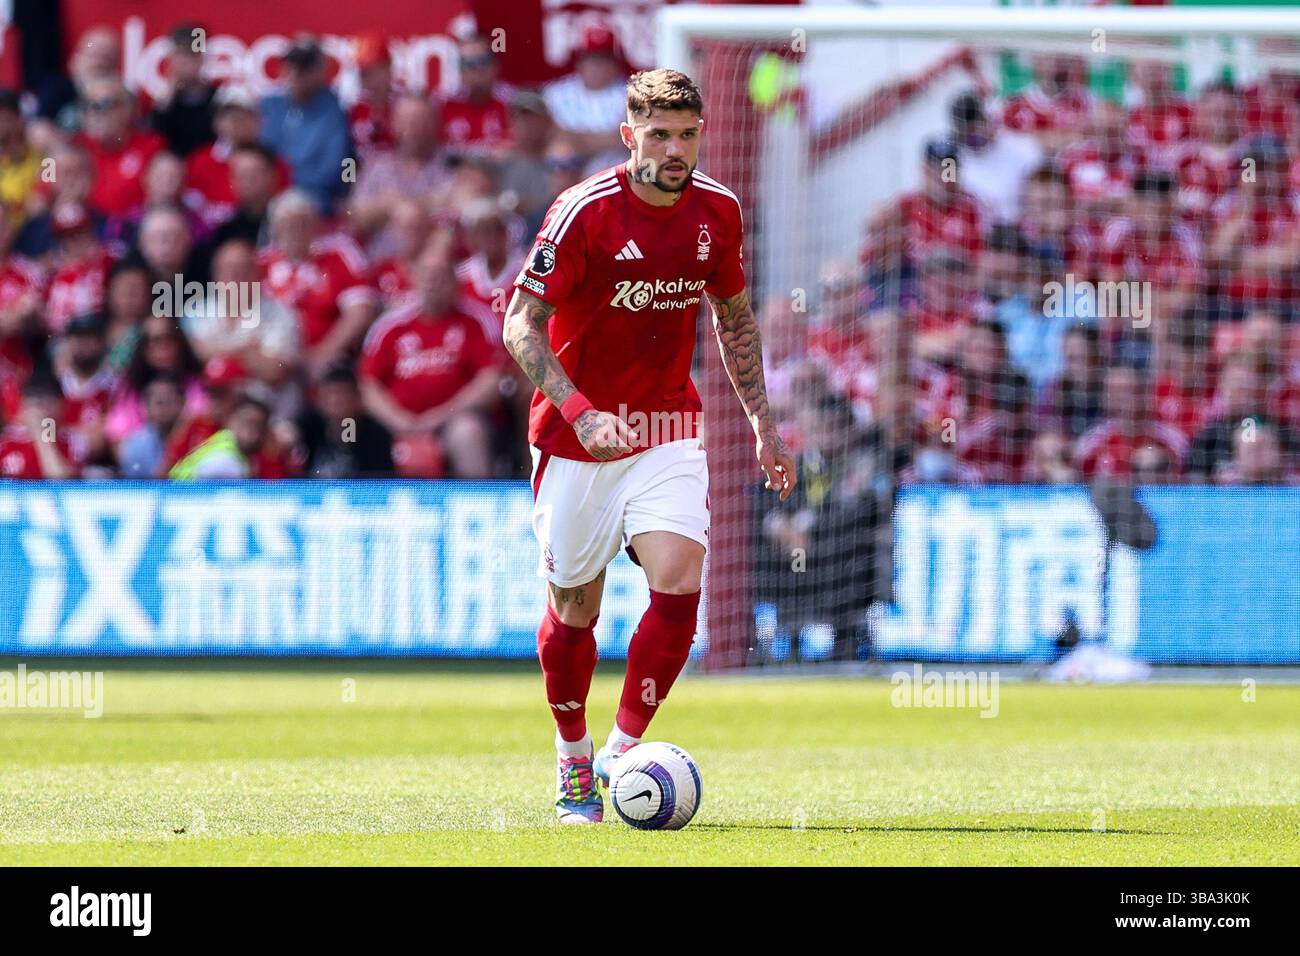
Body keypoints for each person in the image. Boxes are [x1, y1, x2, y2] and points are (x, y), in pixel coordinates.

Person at [502, 69, 796, 823]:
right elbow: (521, 324)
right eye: (659, 135)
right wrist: (581, 410)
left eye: (687, 134)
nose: (675, 149)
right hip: (577, 440)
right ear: (629, 134)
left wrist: (762, 423)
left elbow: (734, 321)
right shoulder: (583, 212)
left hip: (668, 426)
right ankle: (573, 758)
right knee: (574, 607)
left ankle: (621, 752)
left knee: (678, 577)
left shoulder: (718, 212)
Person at [359, 236, 502, 478]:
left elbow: (491, 382)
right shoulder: (391, 326)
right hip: (396, 422)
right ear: (414, 279)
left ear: (455, 281)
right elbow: (368, 385)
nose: (433, 283)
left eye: (440, 276)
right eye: (427, 275)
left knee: (468, 433)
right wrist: (400, 421)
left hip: (454, 419)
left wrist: (440, 416)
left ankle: (474, 506)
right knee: (352, 432)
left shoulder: (477, 321)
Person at [259, 36, 351, 213]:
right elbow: (262, 155)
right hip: (269, 201)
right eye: (291, 64)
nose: (296, 73)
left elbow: (330, 172)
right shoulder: (270, 105)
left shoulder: (334, 112)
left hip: (315, 202)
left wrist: (284, 182)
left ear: (320, 71)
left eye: (304, 67)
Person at [168, 392, 272, 479]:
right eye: (245, 423)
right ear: (229, 420)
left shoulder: (220, 442)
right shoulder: (226, 462)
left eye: (258, 426)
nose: (251, 432)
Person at [148, 23, 216, 157]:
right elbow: (155, 137)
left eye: (192, 55)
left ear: (202, 58)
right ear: (171, 58)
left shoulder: (217, 98)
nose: (186, 62)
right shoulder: (165, 102)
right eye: (181, 54)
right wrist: (169, 93)